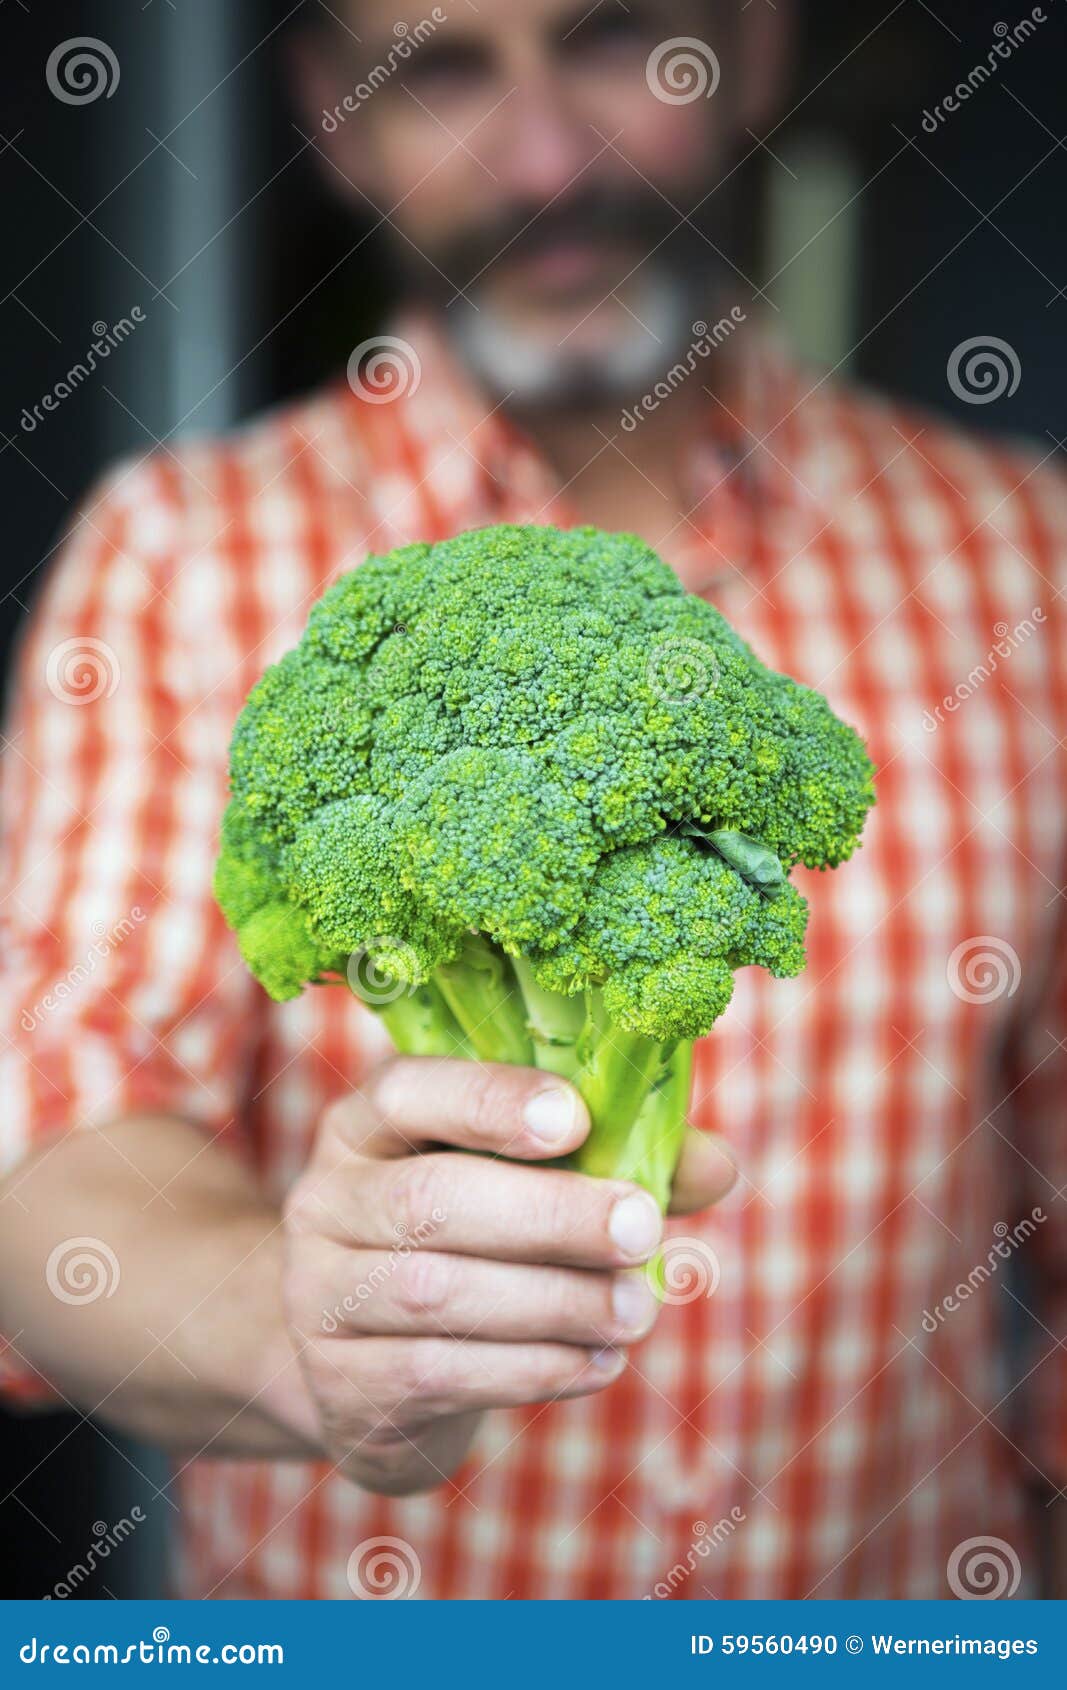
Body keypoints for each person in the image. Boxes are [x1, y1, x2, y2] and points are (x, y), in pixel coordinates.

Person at [1, 0, 1065, 1601]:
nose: (549, 155)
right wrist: (306, 1330)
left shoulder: (1024, 561)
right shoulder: (175, 561)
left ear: (752, 49)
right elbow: (51, 1166)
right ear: (334, 113)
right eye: (439, 70)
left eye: (614, 40)